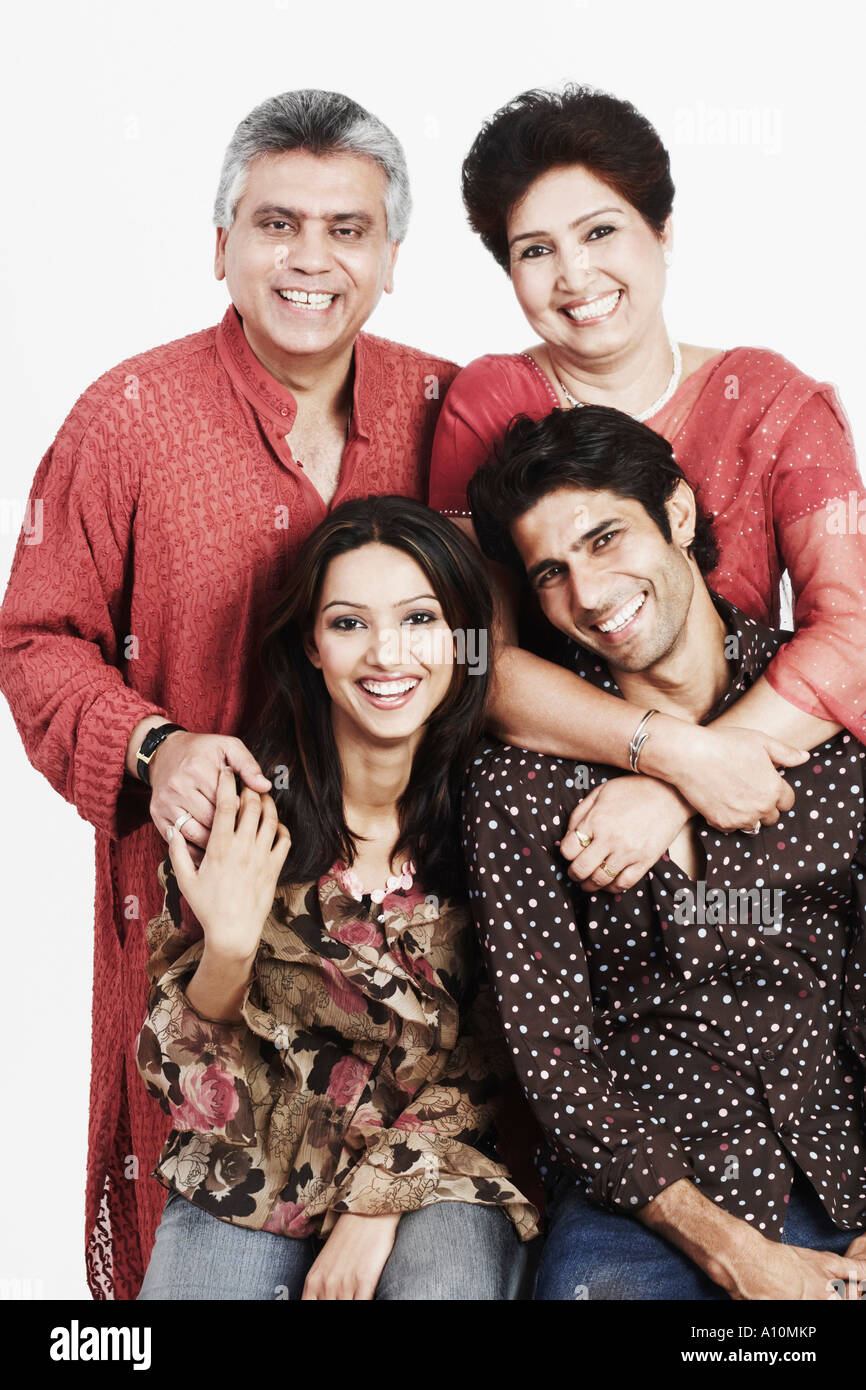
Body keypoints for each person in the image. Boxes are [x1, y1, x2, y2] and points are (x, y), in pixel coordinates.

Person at [0, 89, 459, 1299]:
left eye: (346, 230)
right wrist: (156, 745)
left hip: (422, 946)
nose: (310, 259)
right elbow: (35, 639)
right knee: (191, 1240)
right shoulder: (128, 416)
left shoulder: (448, 410)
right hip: (208, 934)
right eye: (275, 224)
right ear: (221, 246)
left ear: (391, 258)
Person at [462, 405, 866, 1300]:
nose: (593, 595)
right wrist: (730, 1251)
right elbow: (551, 1057)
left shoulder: (830, 726)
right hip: (641, 1209)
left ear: (678, 515)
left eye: (606, 538)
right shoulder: (518, 784)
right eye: (553, 573)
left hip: (842, 1177)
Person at [430, 83, 866, 900]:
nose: (574, 275)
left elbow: (856, 635)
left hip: (764, 796)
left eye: (601, 231)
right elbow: (477, 659)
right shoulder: (489, 404)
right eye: (534, 250)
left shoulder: (774, 402)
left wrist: (675, 791)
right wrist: (673, 756)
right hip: (555, 823)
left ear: (662, 232)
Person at [136, 495, 538, 1299]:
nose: (387, 655)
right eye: (349, 623)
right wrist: (230, 948)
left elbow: (505, 1053)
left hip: (437, 1163)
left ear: (463, 641)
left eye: (420, 619)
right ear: (312, 646)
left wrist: (377, 1199)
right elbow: (187, 1085)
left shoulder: (500, 809)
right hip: (256, 1164)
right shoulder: (242, 810)